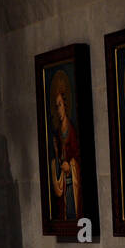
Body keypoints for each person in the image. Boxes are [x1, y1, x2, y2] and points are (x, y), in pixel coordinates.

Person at [49, 84, 81, 222]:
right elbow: (56, 157)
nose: (58, 109)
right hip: (63, 181)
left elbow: (78, 154)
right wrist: (56, 159)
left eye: (60, 105)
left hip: (72, 180)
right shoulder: (57, 133)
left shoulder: (72, 130)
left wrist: (71, 165)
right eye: (56, 106)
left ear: (66, 106)